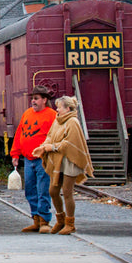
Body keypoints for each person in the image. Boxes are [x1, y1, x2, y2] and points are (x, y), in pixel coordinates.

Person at [33, 95, 93, 235]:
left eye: (59, 107)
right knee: (53, 191)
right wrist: (43, 147)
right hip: (58, 161)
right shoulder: (58, 121)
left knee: (67, 191)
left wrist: (52, 147)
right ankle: (60, 219)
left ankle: (70, 223)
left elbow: (69, 144)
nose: (57, 110)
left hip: (70, 161)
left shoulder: (73, 122)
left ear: (68, 109)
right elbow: (50, 136)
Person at [10, 86, 57, 233]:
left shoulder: (52, 116)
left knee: (43, 189)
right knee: (30, 189)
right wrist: (15, 154)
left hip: (44, 159)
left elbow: (57, 136)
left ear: (44, 100)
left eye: (36, 98)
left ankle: (44, 220)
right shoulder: (27, 114)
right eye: (32, 98)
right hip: (28, 158)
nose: (33, 101)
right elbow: (20, 134)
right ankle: (35, 219)